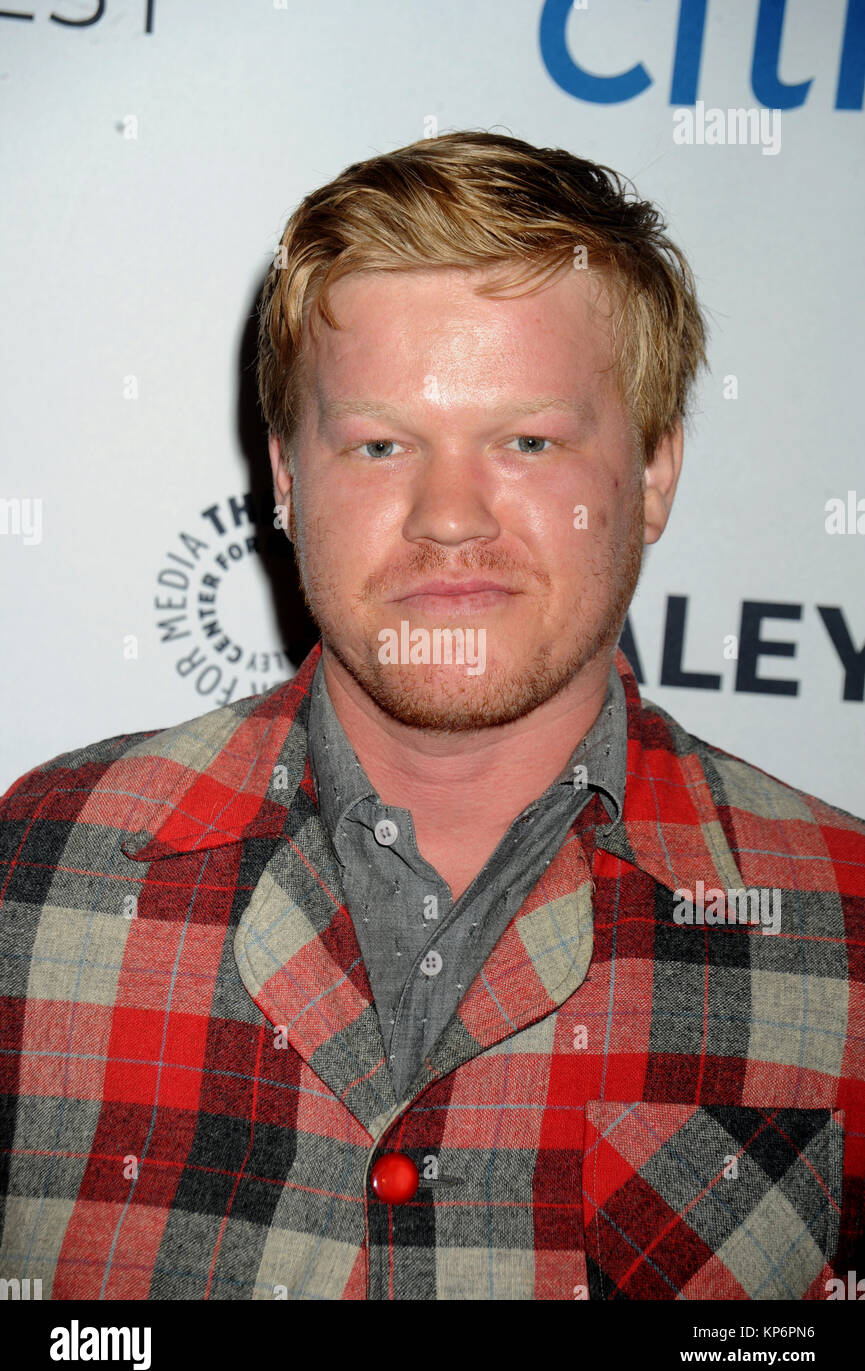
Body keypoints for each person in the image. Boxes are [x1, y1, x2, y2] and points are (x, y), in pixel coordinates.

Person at [1, 131, 862, 1302]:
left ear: (655, 472)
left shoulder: (845, 929)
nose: (448, 516)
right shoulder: (37, 869)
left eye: (526, 440)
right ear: (288, 479)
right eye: (379, 443)